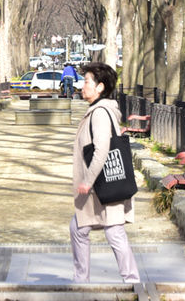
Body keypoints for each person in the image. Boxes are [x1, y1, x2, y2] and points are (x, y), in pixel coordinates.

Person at [70, 61, 140, 284]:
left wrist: (87, 181)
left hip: (101, 184)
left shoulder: (100, 113)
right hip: (104, 183)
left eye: (87, 81)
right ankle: (85, 280)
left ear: (100, 87)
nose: (83, 85)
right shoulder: (102, 110)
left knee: (111, 231)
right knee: (80, 228)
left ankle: (131, 281)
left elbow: (101, 149)